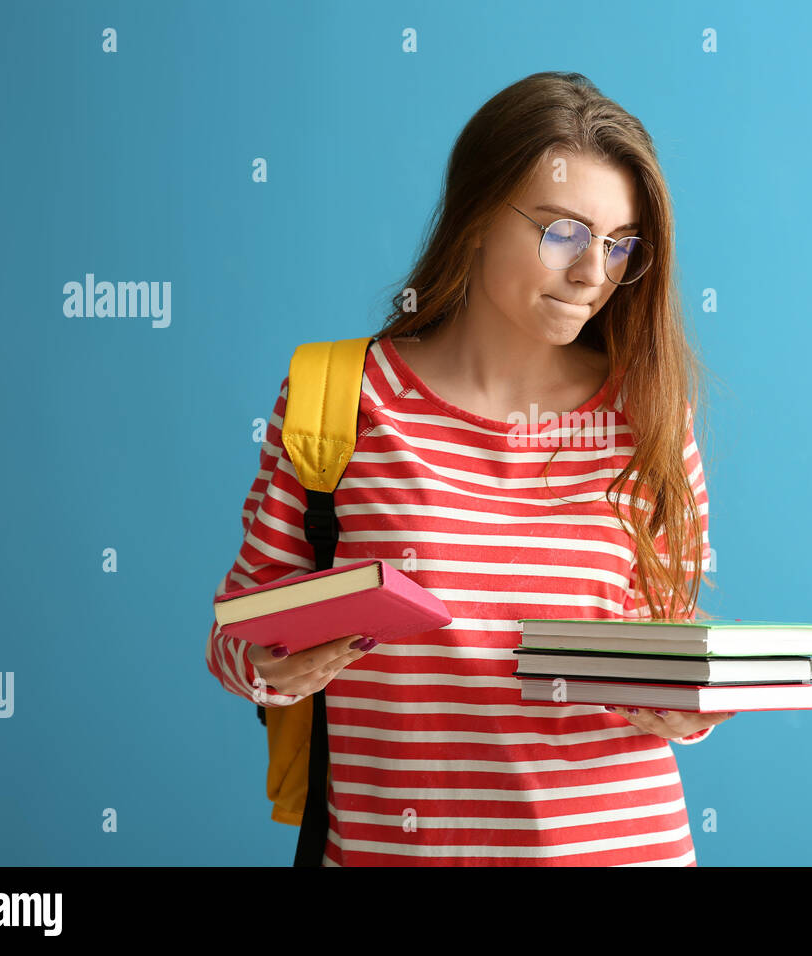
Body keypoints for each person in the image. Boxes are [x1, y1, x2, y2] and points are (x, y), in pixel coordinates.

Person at [205, 71, 732, 866]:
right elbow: (234, 636)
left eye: (622, 244)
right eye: (563, 232)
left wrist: (691, 699)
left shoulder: (649, 413)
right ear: (480, 215)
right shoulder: (344, 397)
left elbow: (670, 635)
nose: (596, 272)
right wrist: (278, 667)